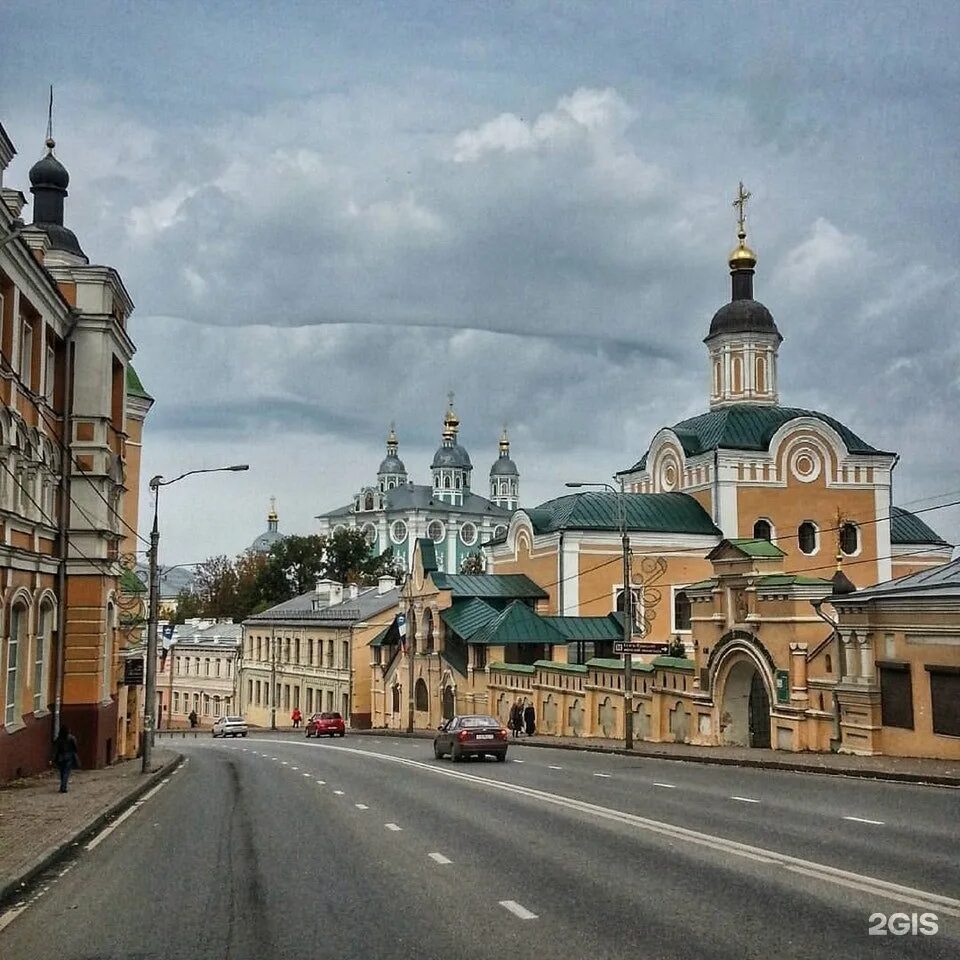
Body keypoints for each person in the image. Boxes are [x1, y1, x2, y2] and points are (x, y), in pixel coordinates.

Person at [52, 726, 80, 793]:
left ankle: (62, 785)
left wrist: (53, 758)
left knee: (62, 772)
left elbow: (55, 749)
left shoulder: (58, 739)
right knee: (66, 772)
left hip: (61, 757)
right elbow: (75, 747)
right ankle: (63, 787)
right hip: (69, 756)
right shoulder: (71, 738)